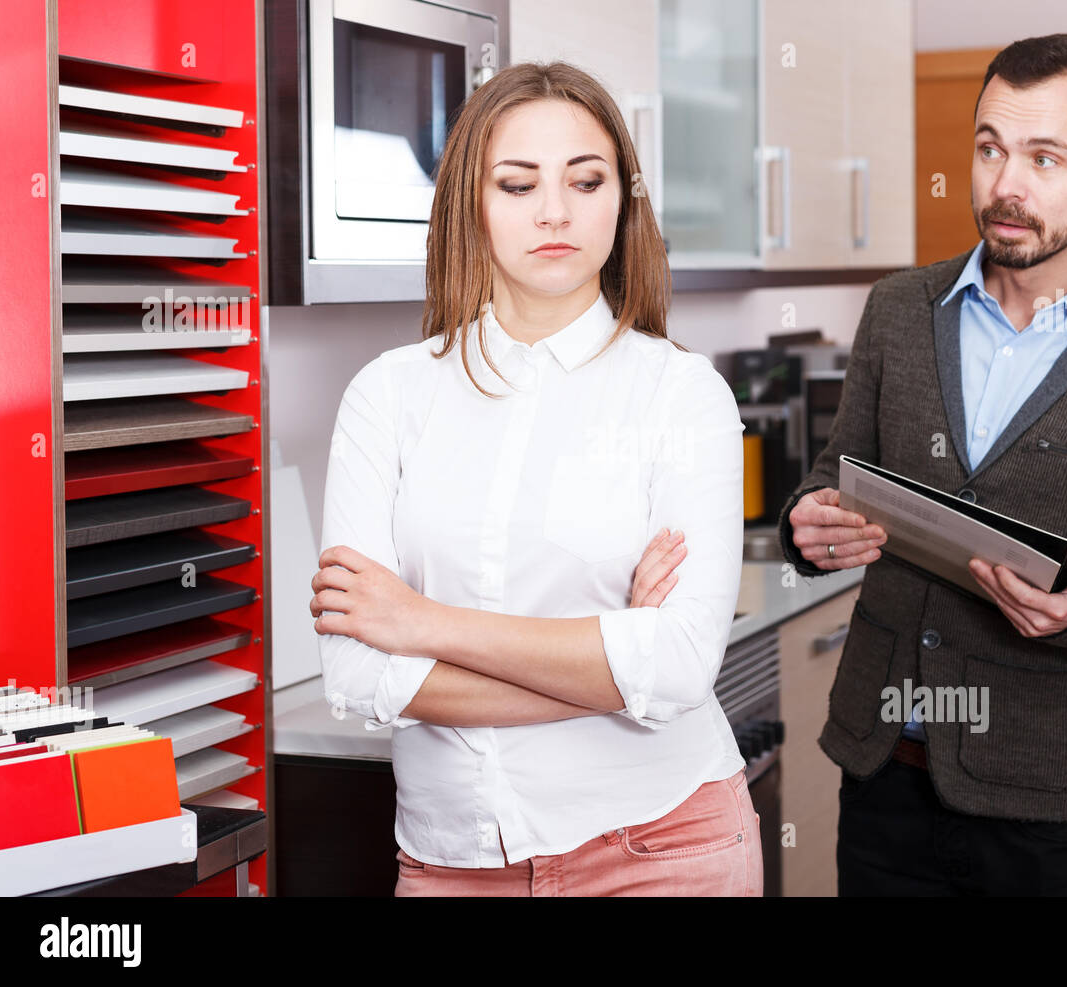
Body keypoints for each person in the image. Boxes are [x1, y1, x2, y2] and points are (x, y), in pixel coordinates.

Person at [778, 34, 1067, 896]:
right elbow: (837, 472)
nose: (1005, 186)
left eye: (1045, 157)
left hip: (1048, 804)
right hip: (882, 770)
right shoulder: (899, 311)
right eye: (990, 149)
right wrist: (809, 523)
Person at [309, 60, 762, 897]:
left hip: (662, 848)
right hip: (451, 864)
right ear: (470, 207)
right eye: (517, 185)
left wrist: (420, 619)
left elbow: (679, 668)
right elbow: (359, 672)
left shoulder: (680, 392)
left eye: (585, 181)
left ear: (621, 200)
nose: (554, 211)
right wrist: (609, 659)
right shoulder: (388, 395)